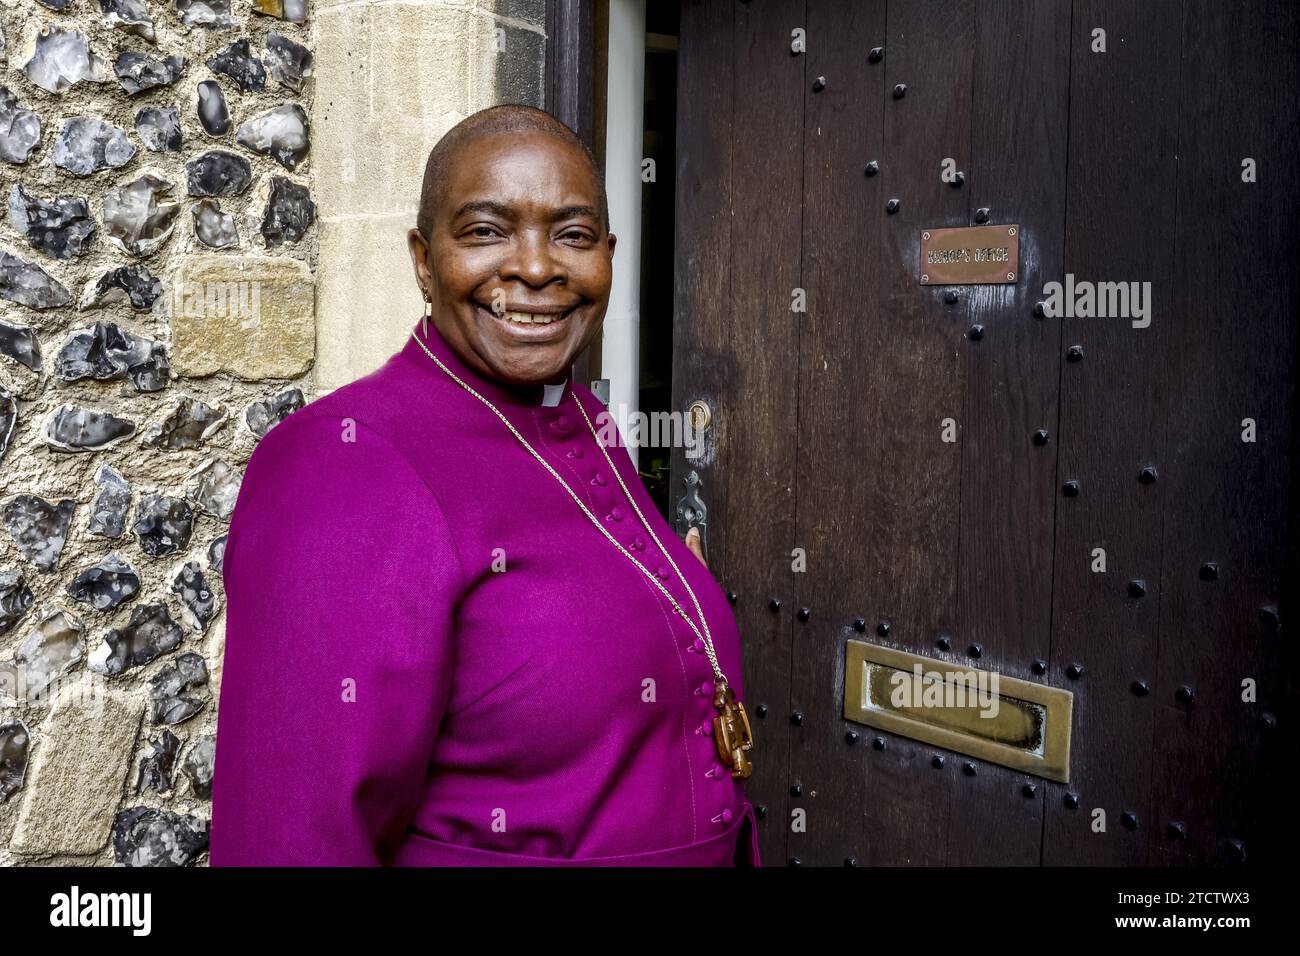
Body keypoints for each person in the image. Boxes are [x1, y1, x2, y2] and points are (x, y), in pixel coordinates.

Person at [209, 104, 759, 866]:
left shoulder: (580, 418)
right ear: (424, 259)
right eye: (486, 231)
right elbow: (294, 838)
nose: (536, 268)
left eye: (571, 235)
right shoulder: (342, 464)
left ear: (609, 254)